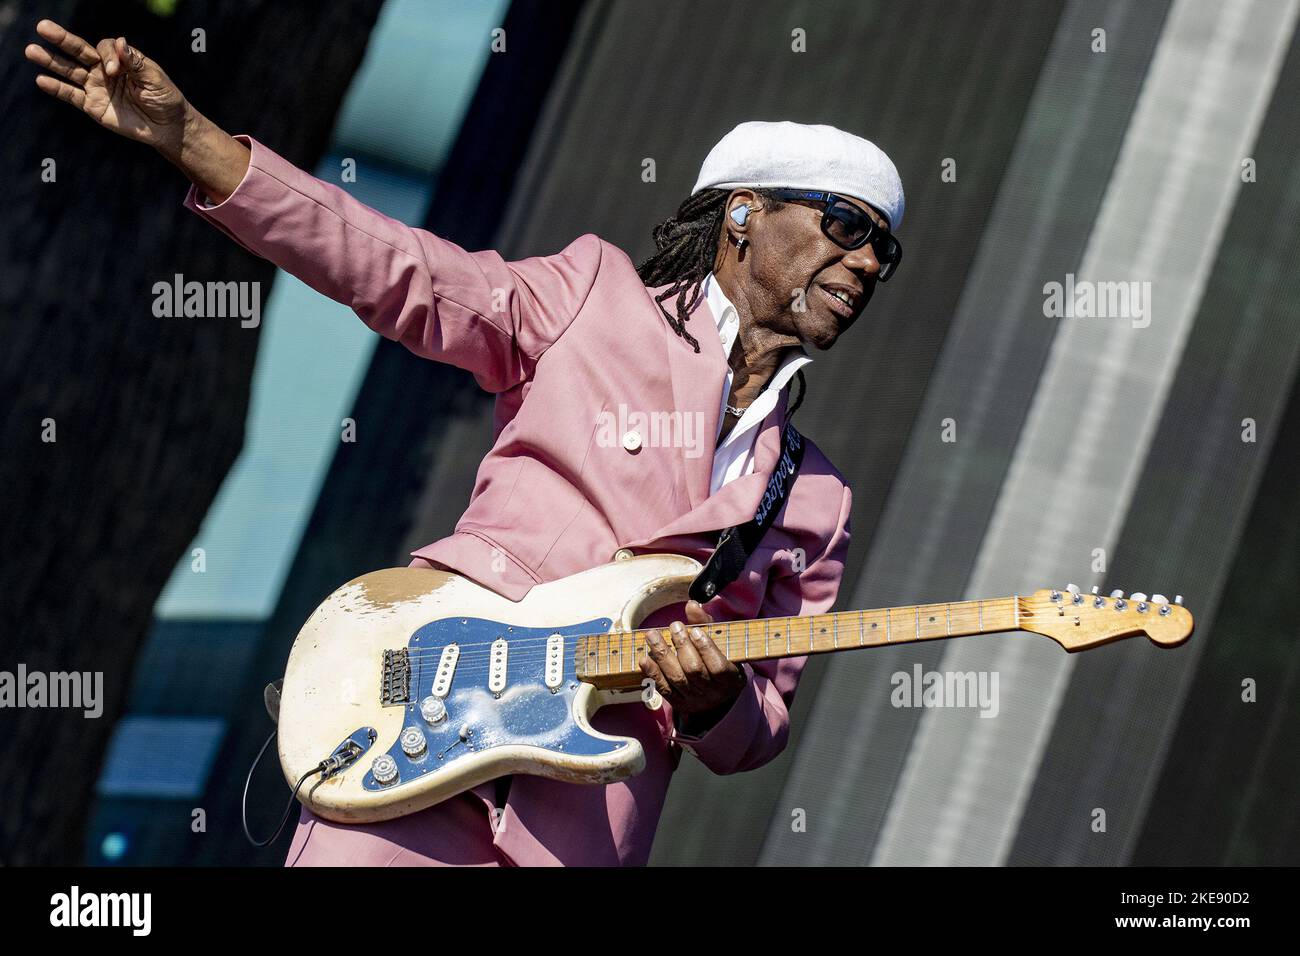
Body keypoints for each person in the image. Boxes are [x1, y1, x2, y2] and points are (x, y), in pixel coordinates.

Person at [27, 19, 905, 866]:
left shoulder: (815, 499)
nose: (867, 265)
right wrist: (198, 143)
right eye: (848, 227)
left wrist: (716, 704)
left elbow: (761, 726)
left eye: (884, 253)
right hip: (410, 752)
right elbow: (399, 270)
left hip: (576, 832)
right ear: (743, 214)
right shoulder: (594, 297)